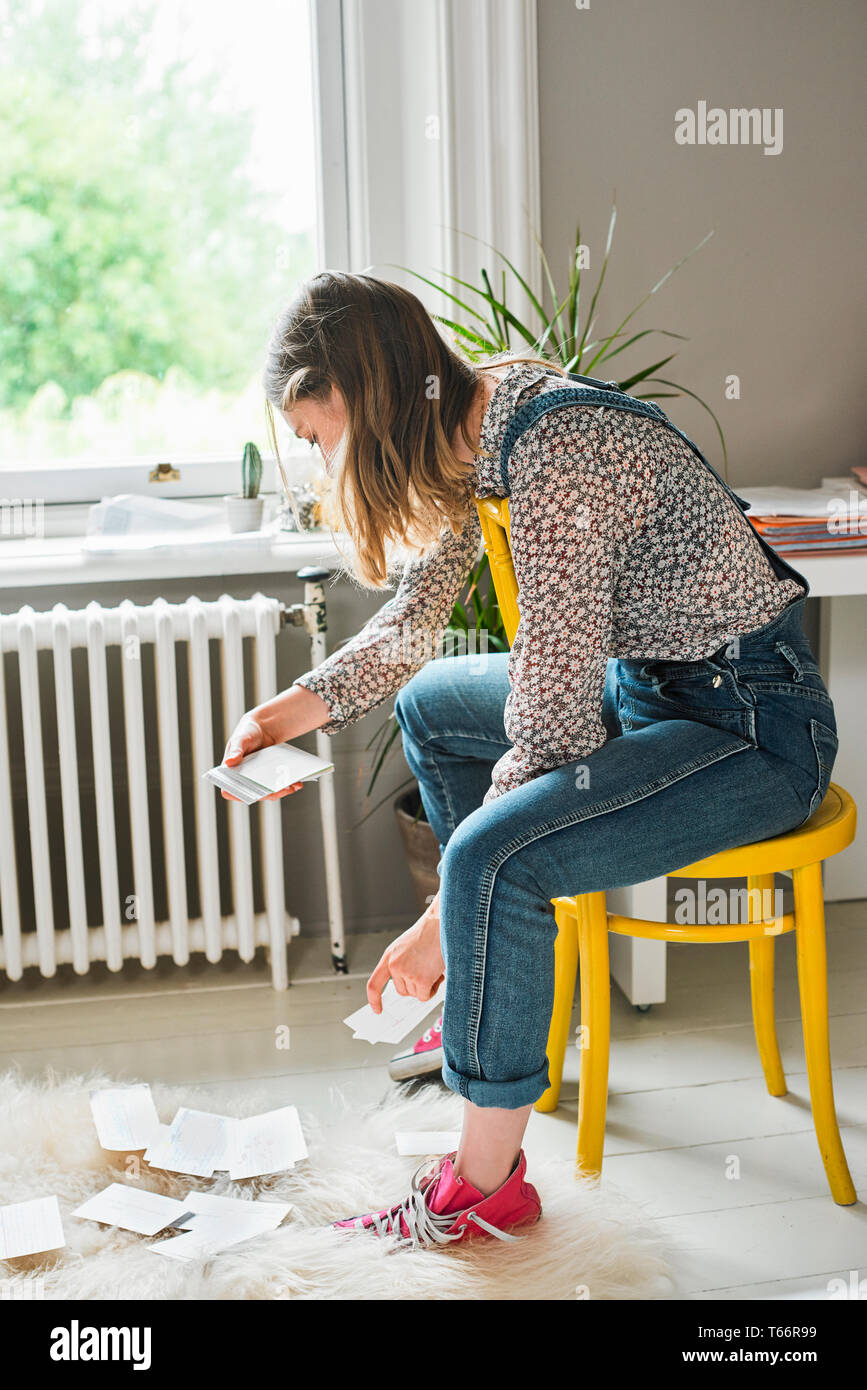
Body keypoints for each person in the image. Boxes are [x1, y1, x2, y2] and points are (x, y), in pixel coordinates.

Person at [223, 270, 836, 1250]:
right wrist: (290, 711)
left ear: (372, 400)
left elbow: (550, 721)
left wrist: (441, 914)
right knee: (436, 704)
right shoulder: (478, 414)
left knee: (490, 861)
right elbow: (415, 629)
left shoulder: (558, 452)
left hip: (750, 727)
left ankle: (485, 1185)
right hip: (655, 694)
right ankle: (486, 992)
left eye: (318, 435)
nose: (322, 460)